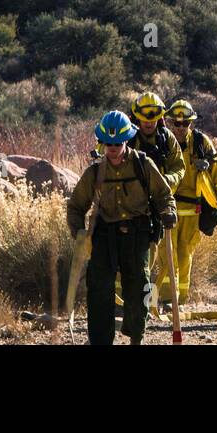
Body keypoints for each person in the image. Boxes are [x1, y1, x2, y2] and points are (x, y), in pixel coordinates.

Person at [66, 110, 175, 346]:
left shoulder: (143, 164)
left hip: (137, 235)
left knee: (139, 288)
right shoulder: (94, 172)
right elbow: (75, 206)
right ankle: (101, 341)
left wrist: (168, 213)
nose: (113, 148)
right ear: (102, 142)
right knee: (99, 290)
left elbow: (164, 195)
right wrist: (79, 232)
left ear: (126, 140)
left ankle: (136, 336)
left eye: (117, 142)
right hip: (105, 236)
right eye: (108, 143)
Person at [153, 99, 217, 307]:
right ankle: (168, 298)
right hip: (168, 207)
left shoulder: (201, 143)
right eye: (176, 123)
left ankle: (181, 299)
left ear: (191, 124)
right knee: (167, 255)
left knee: (185, 255)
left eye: (185, 123)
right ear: (168, 122)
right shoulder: (162, 141)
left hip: (192, 210)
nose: (180, 127)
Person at [129, 91, 185, 277]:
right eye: (145, 118)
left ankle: (143, 301)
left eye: (153, 118)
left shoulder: (166, 138)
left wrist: (165, 182)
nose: (149, 122)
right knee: (125, 257)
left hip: (155, 207)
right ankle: (119, 304)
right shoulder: (128, 137)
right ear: (137, 116)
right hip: (129, 206)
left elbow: (179, 167)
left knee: (150, 255)